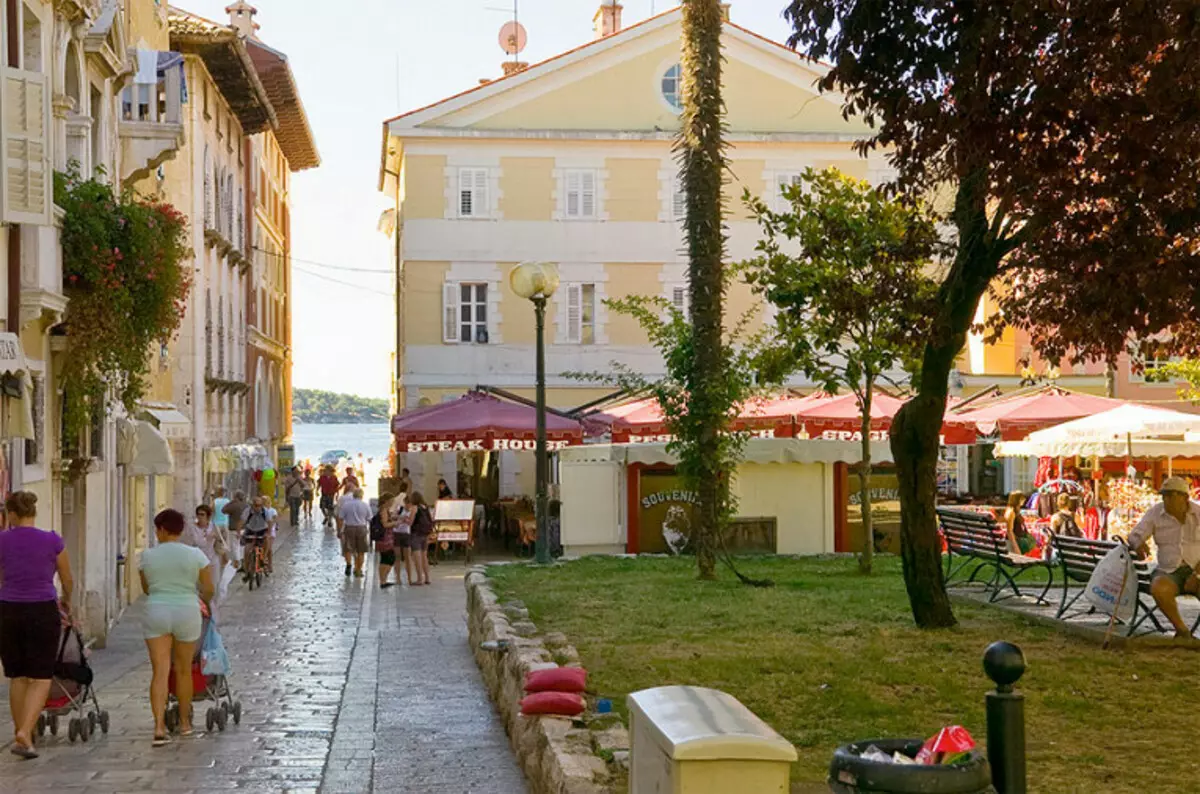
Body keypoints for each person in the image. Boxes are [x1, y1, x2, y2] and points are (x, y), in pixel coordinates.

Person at [0, 491, 73, 759]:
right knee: (41, 677)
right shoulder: (52, 540)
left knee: (17, 676)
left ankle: (23, 734)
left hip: (8, 609)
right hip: (42, 609)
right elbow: (67, 578)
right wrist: (67, 602)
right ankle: (25, 732)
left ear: (12, 514)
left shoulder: (2, 540)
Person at [139, 509, 214, 746]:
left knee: (160, 671)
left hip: (157, 610)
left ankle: (159, 727)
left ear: (161, 529)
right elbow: (209, 587)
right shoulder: (196, 555)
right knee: (183, 669)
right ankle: (184, 723)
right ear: (181, 530)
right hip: (187, 610)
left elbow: (147, 588)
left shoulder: (148, 556)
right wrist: (202, 600)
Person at [1127, 477, 1200, 641]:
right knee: (1159, 588)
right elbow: (1135, 534)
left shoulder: (1198, 514)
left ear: (1184, 497)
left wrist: (1196, 575)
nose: (1166, 499)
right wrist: (1138, 543)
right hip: (1169, 570)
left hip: (1197, 568)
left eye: (1171, 495)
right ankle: (1182, 631)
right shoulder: (1156, 513)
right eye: (1164, 495)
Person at [338, 489, 372, 578]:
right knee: (361, 551)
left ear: (353, 495)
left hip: (349, 528)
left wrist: (340, 530)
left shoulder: (346, 505)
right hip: (361, 528)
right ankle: (358, 570)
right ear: (362, 495)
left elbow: (340, 518)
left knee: (348, 549)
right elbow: (369, 518)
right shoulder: (365, 505)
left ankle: (349, 564)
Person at [407, 491, 434, 586]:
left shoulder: (415, 508)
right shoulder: (426, 507)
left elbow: (410, 522)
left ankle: (419, 579)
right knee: (424, 557)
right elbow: (431, 520)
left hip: (416, 535)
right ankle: (427, 578)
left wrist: (404, 519)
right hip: (425, 534)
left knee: (417, 558)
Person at [375, 493, 401, 589]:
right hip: (385, 538)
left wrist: (394, 519)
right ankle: (383, 580)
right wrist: (395, 523)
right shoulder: (384, 510)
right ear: (387, 501)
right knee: (389, 558)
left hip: (385, 538)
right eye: (391, 501)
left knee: (386, 558)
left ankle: (383, 580)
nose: (392, 503)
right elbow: (385, 524)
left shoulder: (383, 509)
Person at [1004, 491, 1035, 555]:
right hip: (1014, 543)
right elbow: (1009, 531)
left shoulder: (1015, 510)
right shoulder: (1011, 512)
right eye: (1022, 498)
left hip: (1018, 540)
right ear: (1017, 499)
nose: (1024, 500)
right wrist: (1016, 548)